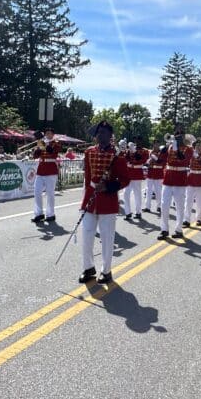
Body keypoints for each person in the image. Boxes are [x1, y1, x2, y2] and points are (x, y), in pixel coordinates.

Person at [78, 120, 129, 283]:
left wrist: (108, 186)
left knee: (107, 238)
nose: (100, 135)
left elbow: (125, 179)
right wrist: (86, 195)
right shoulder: (89, 152)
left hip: (107, 200)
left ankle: (106, 270)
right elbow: (87, 175)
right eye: (99, 132)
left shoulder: (118, 155)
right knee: (86, 236)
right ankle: (88, 268)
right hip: (90, 199)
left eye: (104, 133)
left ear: (110, 136)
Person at [158, 134, 190, 239]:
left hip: (180, 179)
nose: (176, 140)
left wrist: (176, 148)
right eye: (175, 138)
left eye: (179, 138)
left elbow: (183, 159)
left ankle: (178, 230)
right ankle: (164, 229)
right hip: (168, 178)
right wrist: (166, 147)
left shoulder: (188, 149)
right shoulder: (170, 146)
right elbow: (161, 158)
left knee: (179, 206)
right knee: (164, 205)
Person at [30, 127, 62, 224]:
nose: (48, 135)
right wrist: (38, 149)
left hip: (51, 170)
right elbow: (35, 156)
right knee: (37, 191)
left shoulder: (56, 143)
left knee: (50, 194)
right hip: (41, 170)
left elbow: (52, 153)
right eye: (46, 133)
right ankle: (39, 213)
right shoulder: (41, 142)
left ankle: (50, 214)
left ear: (53, 134)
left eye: (49, 133)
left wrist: (41, 142)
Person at [122, 139, 148, 220]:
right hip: (128, 174)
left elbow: (142, 160)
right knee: (126, 194)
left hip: (137, 174)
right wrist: (129, 151)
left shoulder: (144, 151)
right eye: (136, 142)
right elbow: (124, 159)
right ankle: (128, 213)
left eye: (139, 141)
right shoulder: (128, 150)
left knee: (137, 195)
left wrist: (135, 152)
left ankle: (138, 212)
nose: (137, 143)